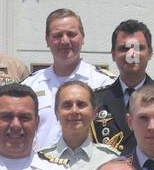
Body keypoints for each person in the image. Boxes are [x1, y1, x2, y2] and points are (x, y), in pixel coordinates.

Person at [92, 19, 154, 155]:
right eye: (124, 49)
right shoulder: (95, 100)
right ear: (113, 54)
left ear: (150, 53)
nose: (131, 55)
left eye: (139, 48)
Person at [27, 8, 114, 150]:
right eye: (57, 35)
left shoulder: (105, 84)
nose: (65, 41)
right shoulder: (31, 86)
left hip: (89, 167)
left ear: (83, 38)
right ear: (47, 40)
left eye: (71, 34)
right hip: (43, 168)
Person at [43, 81, 122, 170]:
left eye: (81, 104)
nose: (74, 110)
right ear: (56, 113)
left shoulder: (110, 160)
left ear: (94, 113)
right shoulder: (42, 160)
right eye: (67, 105)